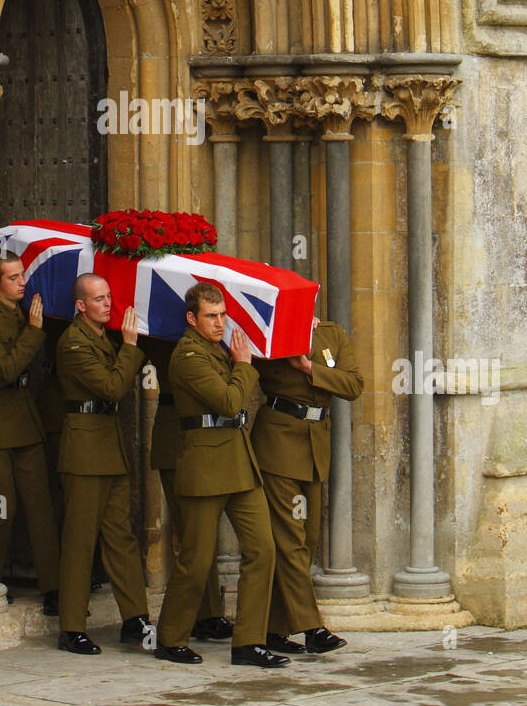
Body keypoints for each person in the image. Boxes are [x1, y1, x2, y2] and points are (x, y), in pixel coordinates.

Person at [154, 283, 287, 668]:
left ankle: (249, 642)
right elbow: (229, 400)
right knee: (196, 559)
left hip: (238, 462)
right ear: (192, 319)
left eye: (223, 315)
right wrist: (244, 366)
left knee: (263, 549)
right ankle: (170, 637)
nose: (220, 322)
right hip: (205, 465)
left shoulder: (217, 350)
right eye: (212, 316)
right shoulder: (188, 356)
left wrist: (238, 365)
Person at [252, 316, 363, 654]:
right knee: (289, 540)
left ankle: (273, 628)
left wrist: (309, 367)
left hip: (315, 443)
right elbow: (264, 373)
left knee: (308, 536)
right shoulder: (271, 334)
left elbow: (354, 385)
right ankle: (312, 627)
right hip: (279, 442)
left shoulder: (332, 332)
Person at [55, 274, 151, 655]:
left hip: (109, 448)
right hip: (84, 450)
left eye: (109, 296)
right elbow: (111, 387)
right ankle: (72, 627)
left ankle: (135, 618)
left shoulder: (102, 339)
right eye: (99, 299)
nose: (108, 304)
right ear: (81, 306)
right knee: (80, 540)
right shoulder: (74, 343)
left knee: (121, 537)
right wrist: (130, 347)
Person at [0, 252, 61, 616]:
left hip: (25, 419)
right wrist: (34, 332)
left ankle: (55, 587)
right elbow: (6, 368)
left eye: (22, 276)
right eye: (13, 278)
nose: (21, 283)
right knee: (0, 508)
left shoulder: (24, 311)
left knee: (40, 507)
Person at [145, 335, 233, 643]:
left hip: (213, 443)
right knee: (192, 537)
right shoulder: (167, 337)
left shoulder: (214, 337)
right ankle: (185, 624)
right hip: (177, 439)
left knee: (199, 537)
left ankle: (208, 614)